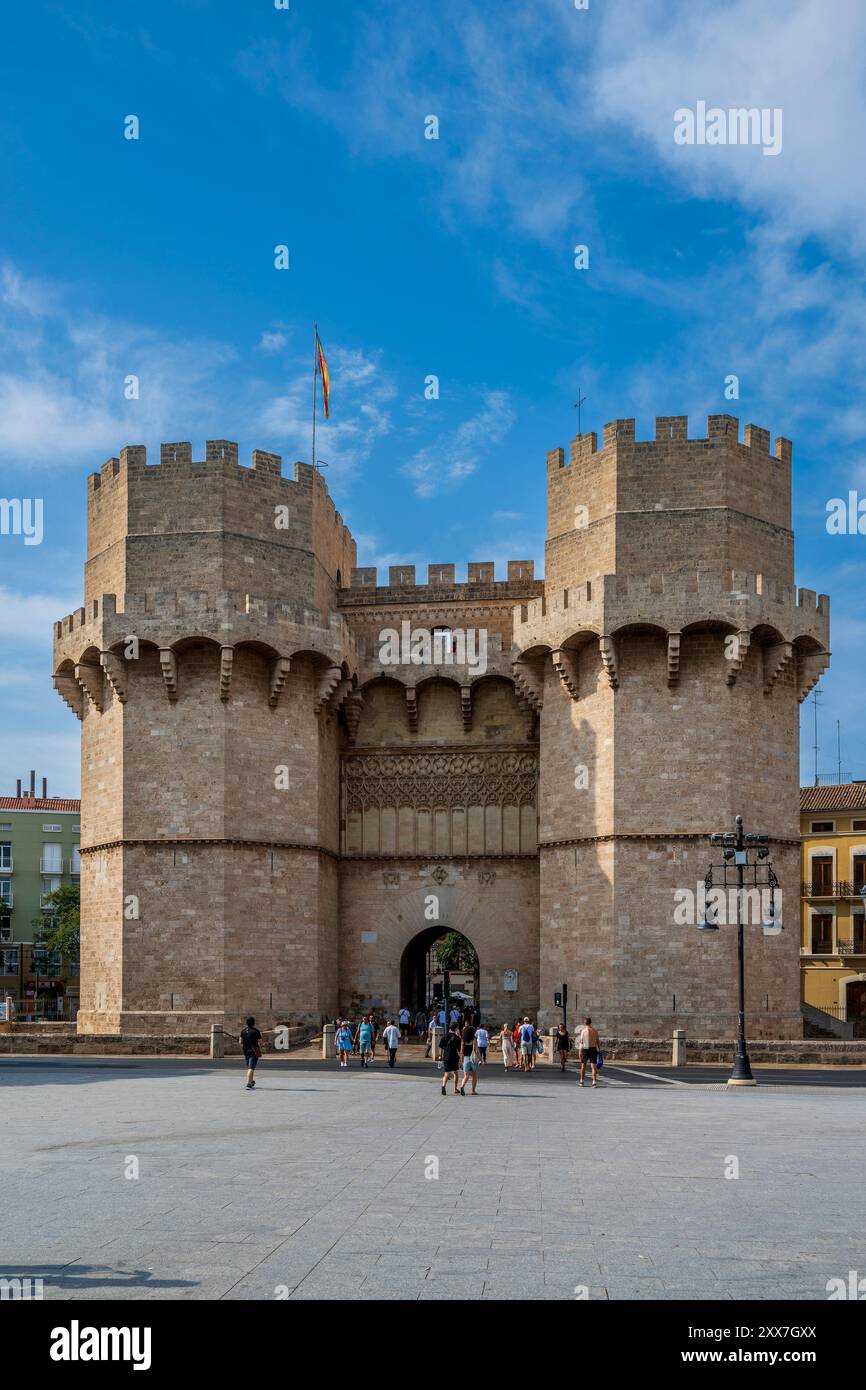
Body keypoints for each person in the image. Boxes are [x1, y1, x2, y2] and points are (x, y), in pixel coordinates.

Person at [238, 1015, 262, 1090]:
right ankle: (249, 1083)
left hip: (246, 1051)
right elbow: (260, 1042)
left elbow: (240, 1042)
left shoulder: (243, 1031)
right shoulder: (256, 1031)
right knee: (251, 1068)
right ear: (253, 1023)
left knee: (249, 1067)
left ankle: (251, 1081)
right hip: (254, 1051)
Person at [577, 1016, 601, 1087]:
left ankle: (581, 1081)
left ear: (585, 1023)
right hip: (593, 1048)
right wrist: (599, 1050)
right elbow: (598, 1041)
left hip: (585, 1048)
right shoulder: (594, 1031)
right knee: (593, 1066)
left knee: (583, 1065)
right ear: (590, 1022)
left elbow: (581, 1042)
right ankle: (594, 1082)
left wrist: (580, 1051)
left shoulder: (583, 1031)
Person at [440, 1022, 462, 1095]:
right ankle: (455, 1089)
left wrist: (441, 1056)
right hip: (454, 1057)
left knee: (446, 1073)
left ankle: (443, 1086)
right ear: (456, 1029)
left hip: (446, 1057)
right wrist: (461, 1060)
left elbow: (441, 1047)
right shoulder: (457, 1038)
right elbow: (459, 1051)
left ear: (449, 1028)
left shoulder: (444, 1036)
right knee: (455, 1072)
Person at [459, 1031, 479, 1096]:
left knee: (466, 1075)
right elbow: (476, 1051)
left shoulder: (463, 1040)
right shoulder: (474, 1040)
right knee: (474, 1076)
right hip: (472, 1059)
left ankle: (462, 1086)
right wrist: (481, 1059)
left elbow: (461, 1052)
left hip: (466, 1058)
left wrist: (461, 1061)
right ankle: (473, 1090)